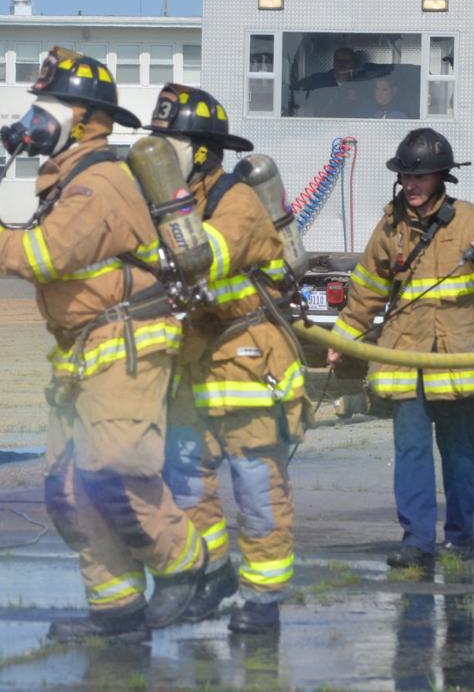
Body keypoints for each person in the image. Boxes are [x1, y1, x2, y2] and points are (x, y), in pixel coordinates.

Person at [0, 48, 206, 643]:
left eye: (45, 109)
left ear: (83, 119)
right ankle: (116, 611)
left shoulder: (99, 184)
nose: (32, 123)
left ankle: (188, 567)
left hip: (123, 345)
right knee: (71, 488)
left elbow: (42, 258)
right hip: (84, 353)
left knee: (114, 473)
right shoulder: (69, 181)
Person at [149, 84, 308, 635]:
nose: (161, 157)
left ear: (202, 151)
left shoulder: (234, 200)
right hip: (194, 364)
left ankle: (262, 601)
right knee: (187, 483)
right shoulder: (175, 203)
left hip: (247, 364)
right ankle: (213, 575)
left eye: (173, 145)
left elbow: (204, 256)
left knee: (256, 490)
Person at [328, 128, 474, 568]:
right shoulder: (390, 228)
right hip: (405, 359)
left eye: (421, 178)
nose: (411, 186)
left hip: (456, 362)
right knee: (411, 452)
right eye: (406, 178)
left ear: (441, 179)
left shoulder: (472, 221)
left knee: (458, 451)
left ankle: (460, 537)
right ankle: (416, 540)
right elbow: (366, 292)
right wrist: (342, 339)